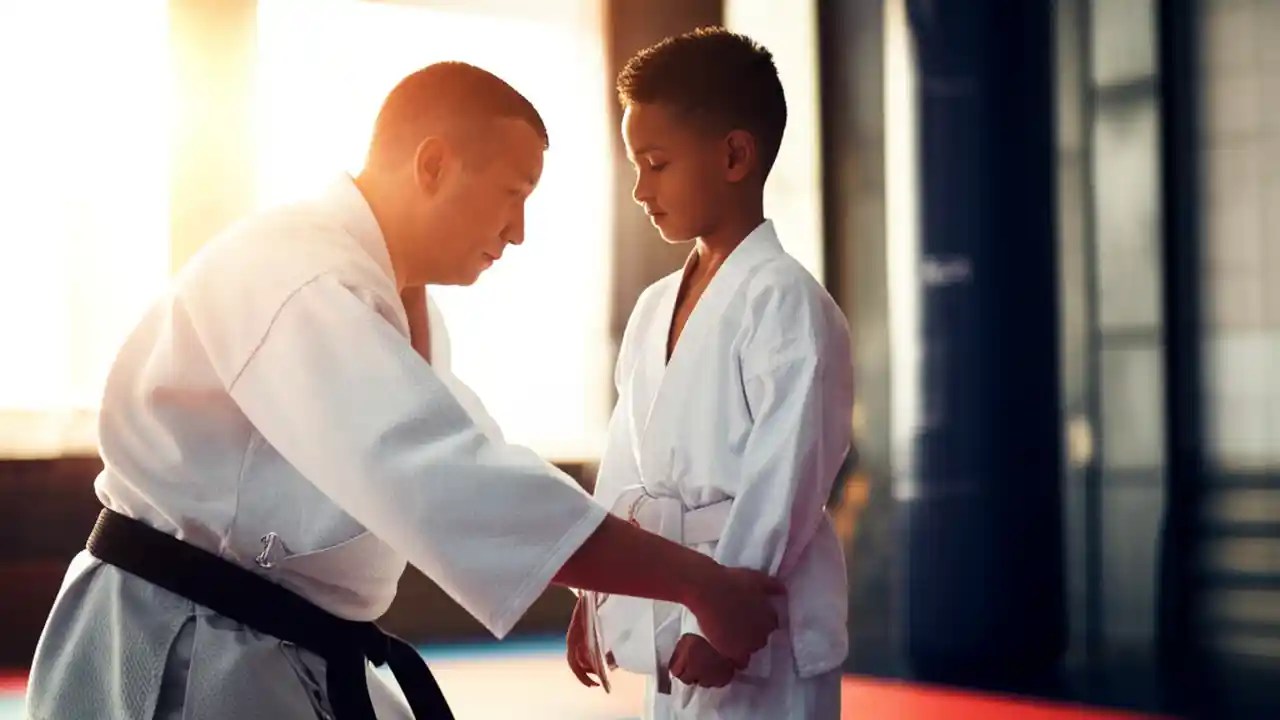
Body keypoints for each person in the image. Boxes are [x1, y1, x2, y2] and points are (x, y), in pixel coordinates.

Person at [25, 62, 783, 720]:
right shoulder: (302, 274)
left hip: (269, 646)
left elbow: (480, 452)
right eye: (512, 192)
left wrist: (611, 580)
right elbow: (449, 480)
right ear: (432, 165)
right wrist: (694, 580)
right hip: (182, 647)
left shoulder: (387, 296)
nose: (517, 231)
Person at [566, 28, 853, 719]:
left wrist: (720, 617)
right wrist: (596, 593)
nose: (639, 188)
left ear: (733, 155)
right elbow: (624, 459)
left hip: (756, 615)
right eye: (635, 164)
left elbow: (784, 477)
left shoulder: (784, 299)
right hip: (670, 603)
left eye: (657, 163)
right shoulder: (654, 306)